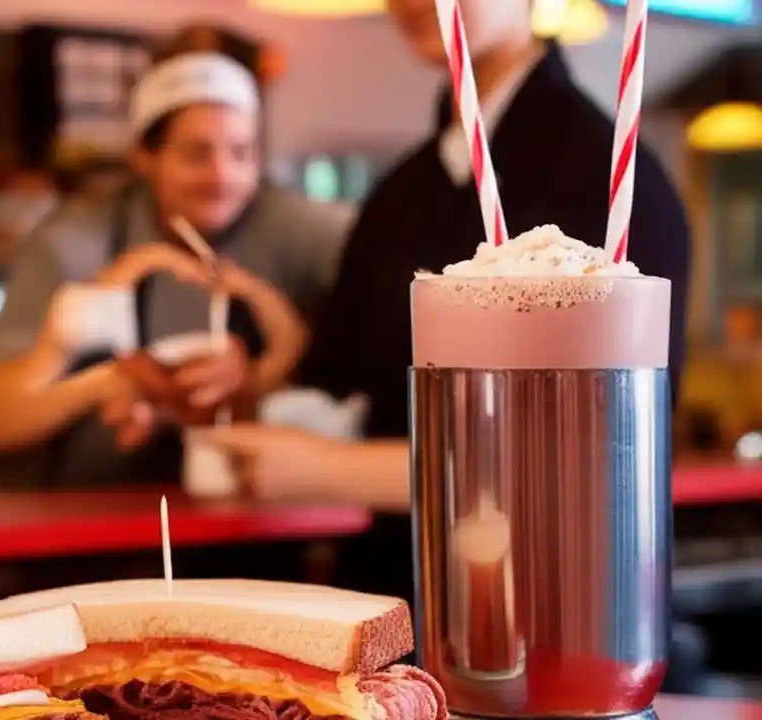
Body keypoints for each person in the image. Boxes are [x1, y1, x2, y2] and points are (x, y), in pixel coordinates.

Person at [204, 0, 690, 601]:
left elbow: (602, 455)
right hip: (397, 595)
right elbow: (339, 378)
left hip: (553, 604)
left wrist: (329, 470)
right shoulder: (403, 191)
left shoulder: (609, 176)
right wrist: (255, 377)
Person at [0, 39, 350, 486]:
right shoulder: (71, 244)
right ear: (144, 157)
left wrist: (256, 383)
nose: (222, 175)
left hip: (245, 527)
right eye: (195, 154)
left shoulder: (293, 227)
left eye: (242, 153)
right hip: (94, 522)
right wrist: (105, 384)